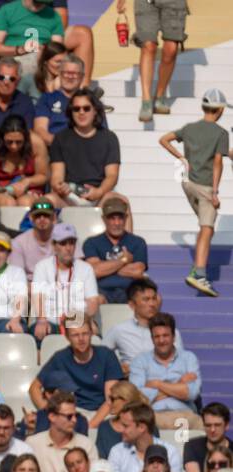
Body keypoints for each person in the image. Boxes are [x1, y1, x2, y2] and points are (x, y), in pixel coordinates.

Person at [158, 89, 228, 297]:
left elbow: (164, 139)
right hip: (205, 185)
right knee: (207, 228)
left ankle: (198, 266)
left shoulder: (189, 128)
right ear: (220, 110)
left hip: (187, 182)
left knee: (205, 228)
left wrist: (181, 157)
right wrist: (215, 192)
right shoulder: (221, 133)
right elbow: (217, 162)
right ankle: (199, 274)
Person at [129, 314, 201, 430]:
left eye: (165, 335)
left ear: (174, 337)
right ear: (152, 339)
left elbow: (192, 393)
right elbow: (137, 397)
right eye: (156, 336)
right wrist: (179, 385)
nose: (161, 340)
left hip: (183, 415)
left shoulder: (188, 358)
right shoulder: (140, 361)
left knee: (189, 439)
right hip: (153, 415)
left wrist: (157, 384)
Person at [82, 196, 148, 306]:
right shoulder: (92, 243)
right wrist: (124, 260)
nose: (116, 223)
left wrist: (106, 267)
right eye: (112, 218)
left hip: (130, 292)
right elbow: (94, 271)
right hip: (101, 291)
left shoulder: (138, 242)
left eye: (120, 218)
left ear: (126, 218)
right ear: (104, 219)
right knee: (89, 302)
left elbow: (137, 271)